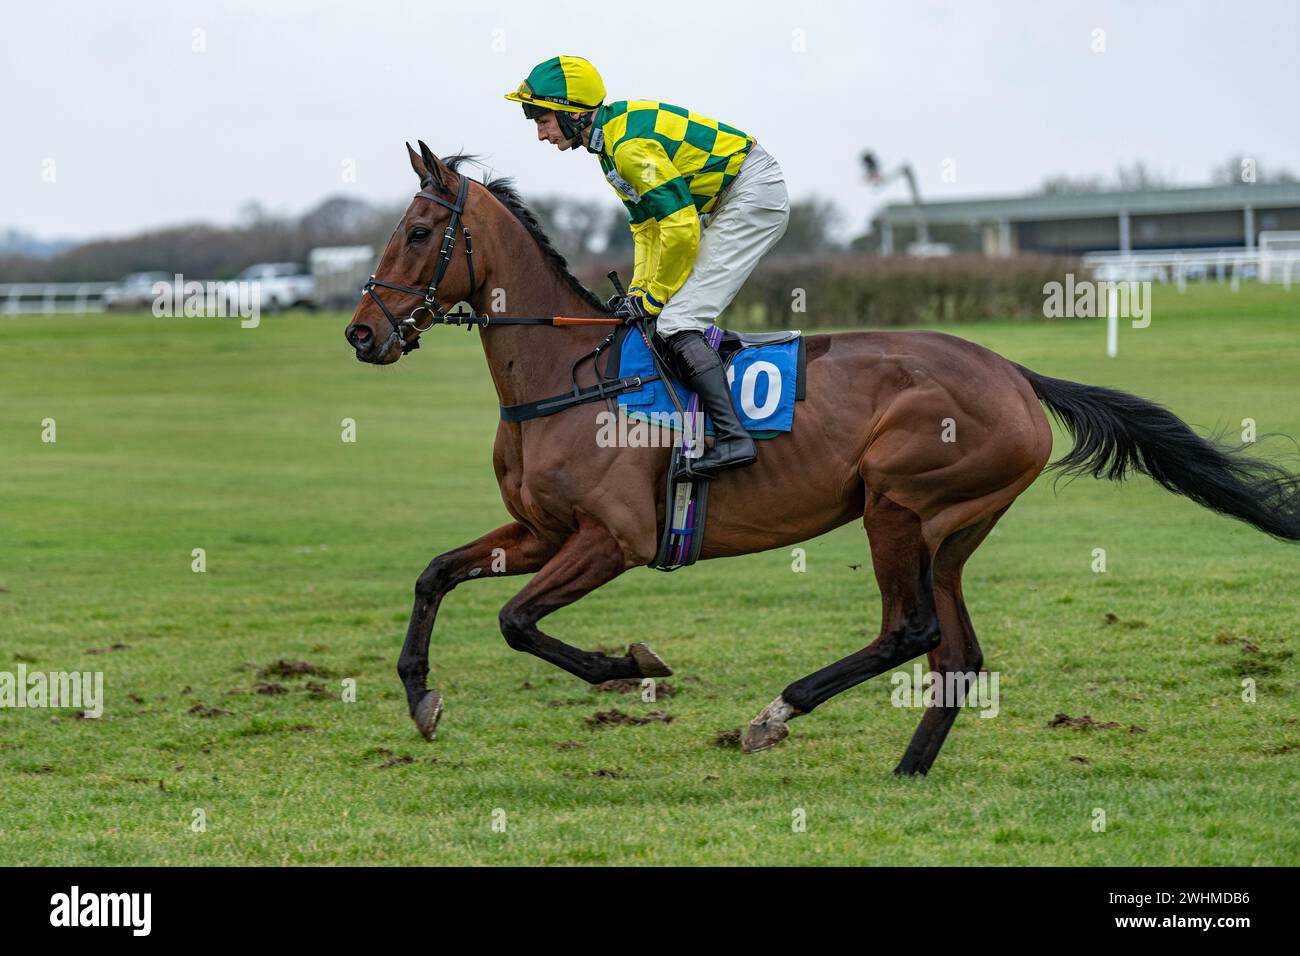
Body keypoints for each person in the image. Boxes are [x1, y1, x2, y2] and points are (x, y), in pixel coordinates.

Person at [504, 55, 790, 479]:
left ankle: (734, 439)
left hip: (750, 195)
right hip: (728, 199)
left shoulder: (628, 147)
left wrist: (655, 296)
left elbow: (678, 226)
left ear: (574, 112)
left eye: (543, 119)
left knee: (677, 319)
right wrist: (640, 290)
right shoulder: (609, 145)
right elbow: (646, 227)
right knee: (664, 311)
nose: (541, 133)